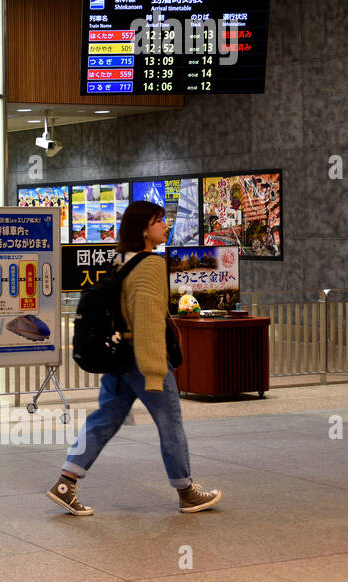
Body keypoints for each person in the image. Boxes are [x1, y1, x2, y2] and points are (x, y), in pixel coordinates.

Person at [47, 200, 222, 516]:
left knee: (105, 418)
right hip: (143, 360)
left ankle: (65, 483)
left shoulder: (122, 260)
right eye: (159, 221)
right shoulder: (152, 264)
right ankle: (186, 490)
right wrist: (155, 370)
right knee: (170, 422)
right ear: (144, 229)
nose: (164, 226)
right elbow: (148, 320)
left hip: (120, 358)